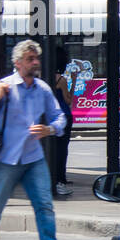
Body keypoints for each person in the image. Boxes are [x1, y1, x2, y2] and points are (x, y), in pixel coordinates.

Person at [0, 40, 75, 240]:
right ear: (17, 63)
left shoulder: (42, 89)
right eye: (30, 59)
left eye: (36, 58)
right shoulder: (3, 86)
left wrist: (50, 129)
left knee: (44, 206)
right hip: (6, 159)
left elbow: (60, 116)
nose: (35, 63)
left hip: (33, 158)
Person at [52, 68, 74, 196]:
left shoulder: (40, 77)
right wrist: (74, 80)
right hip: (63, 115)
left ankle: (54, 178)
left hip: (50, 117)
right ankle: (60, 180)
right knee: (62, 149)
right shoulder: (61, 79)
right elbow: (68, 100)